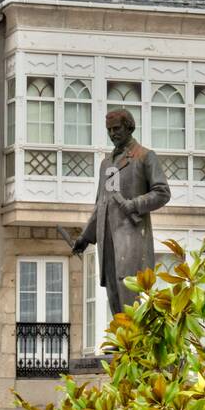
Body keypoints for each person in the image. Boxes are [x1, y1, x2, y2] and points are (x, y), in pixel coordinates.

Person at [71, 109, 171, 316]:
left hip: (131, 238)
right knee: (114, 295)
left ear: (129, 127)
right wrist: (85, 237)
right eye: (109, 130)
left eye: (117, 128)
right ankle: (120, 344)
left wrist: (134, 204)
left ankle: (133, 344)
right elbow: (101, 204)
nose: (113, 133)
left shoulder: (144, 156)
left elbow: (162, 193)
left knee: (130, 293)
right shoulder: (106, 164)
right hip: (107, 239)